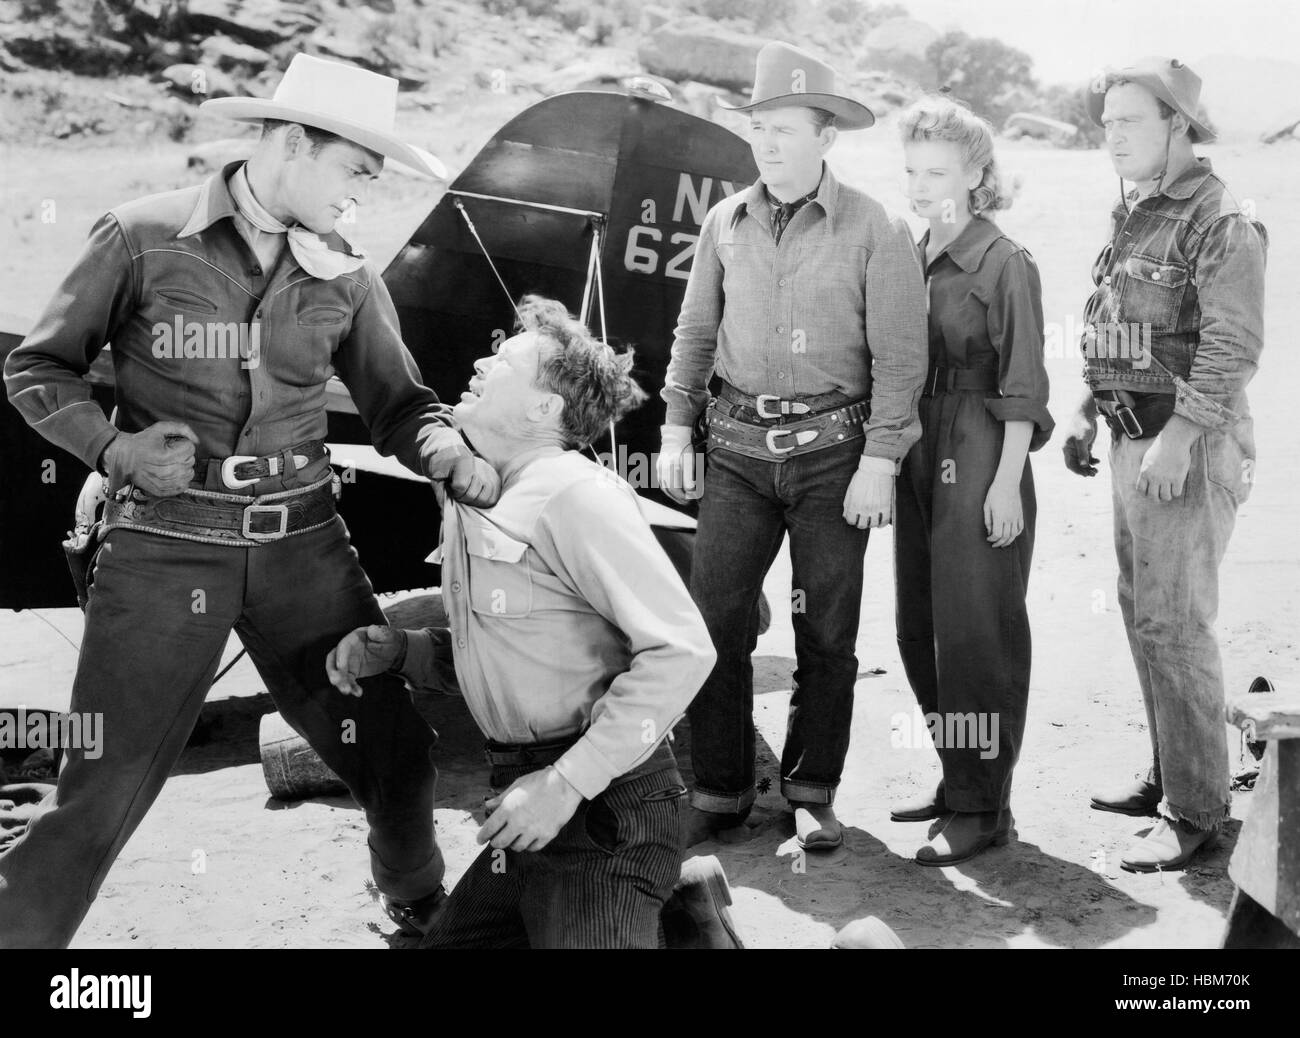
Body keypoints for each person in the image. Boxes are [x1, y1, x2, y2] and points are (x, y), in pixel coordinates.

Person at [0, 54, 501, 947]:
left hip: (303, 548)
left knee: (391, 750)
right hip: (162, 549)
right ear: (293, 145)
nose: (361, 198)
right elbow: (37, 367)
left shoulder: (347, 274)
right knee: (98, 793)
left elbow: (400, 405)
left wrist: (446, 451)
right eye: (354, 171)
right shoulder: (140, 237)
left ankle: (419, 904)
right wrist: (112, 448)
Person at [327, 296, 729, 948]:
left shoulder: (578, 494)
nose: (482, 360)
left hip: (607, 812)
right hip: (522, 811)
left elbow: (683, 651)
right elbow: (515, 658)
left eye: (503, 359)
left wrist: (564, 785)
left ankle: (665, 912)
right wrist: (402, 652)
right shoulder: (475, 503)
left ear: (544, 409)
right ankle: (681, 918)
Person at [657, 41, 929, 850]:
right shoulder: (723, 221)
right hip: (735, 451)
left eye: (785, 127)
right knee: (714, 624)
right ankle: (719, 789)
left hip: (834, 458)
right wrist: (676, 424)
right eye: (759, 126)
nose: (767, 142)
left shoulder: (876, 226)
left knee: (827, 633)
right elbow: (695, 330)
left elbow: (901, 358)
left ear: (827, 137)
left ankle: (812, 790)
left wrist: (880, 461)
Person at [1062, 57, 1266, 872]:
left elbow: (1232, 344)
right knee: (1142, 612)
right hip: (1132, 437)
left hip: (1187, 445)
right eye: (1106, 121)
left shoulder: (1220, 219)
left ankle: (1197, 810)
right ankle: (1174, 772)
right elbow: (1121, 322)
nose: (1111, 135)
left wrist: (1180, 438)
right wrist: (1086, 408)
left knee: (1175, 624)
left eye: (1130, 121)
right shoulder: (1138, 210)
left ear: (1179, 125)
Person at [888, 98, 1053, 865]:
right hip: (921, 441)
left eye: (939, 172)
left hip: (985, 443)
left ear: (977, 174)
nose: (922, 185)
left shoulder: (1005, 261)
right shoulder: (913, 251)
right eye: (913, 170)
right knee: (919, 626)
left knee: (976, 631)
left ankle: (983, 807)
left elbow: (1024, 383)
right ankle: (962, 776)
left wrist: (1003, 484)